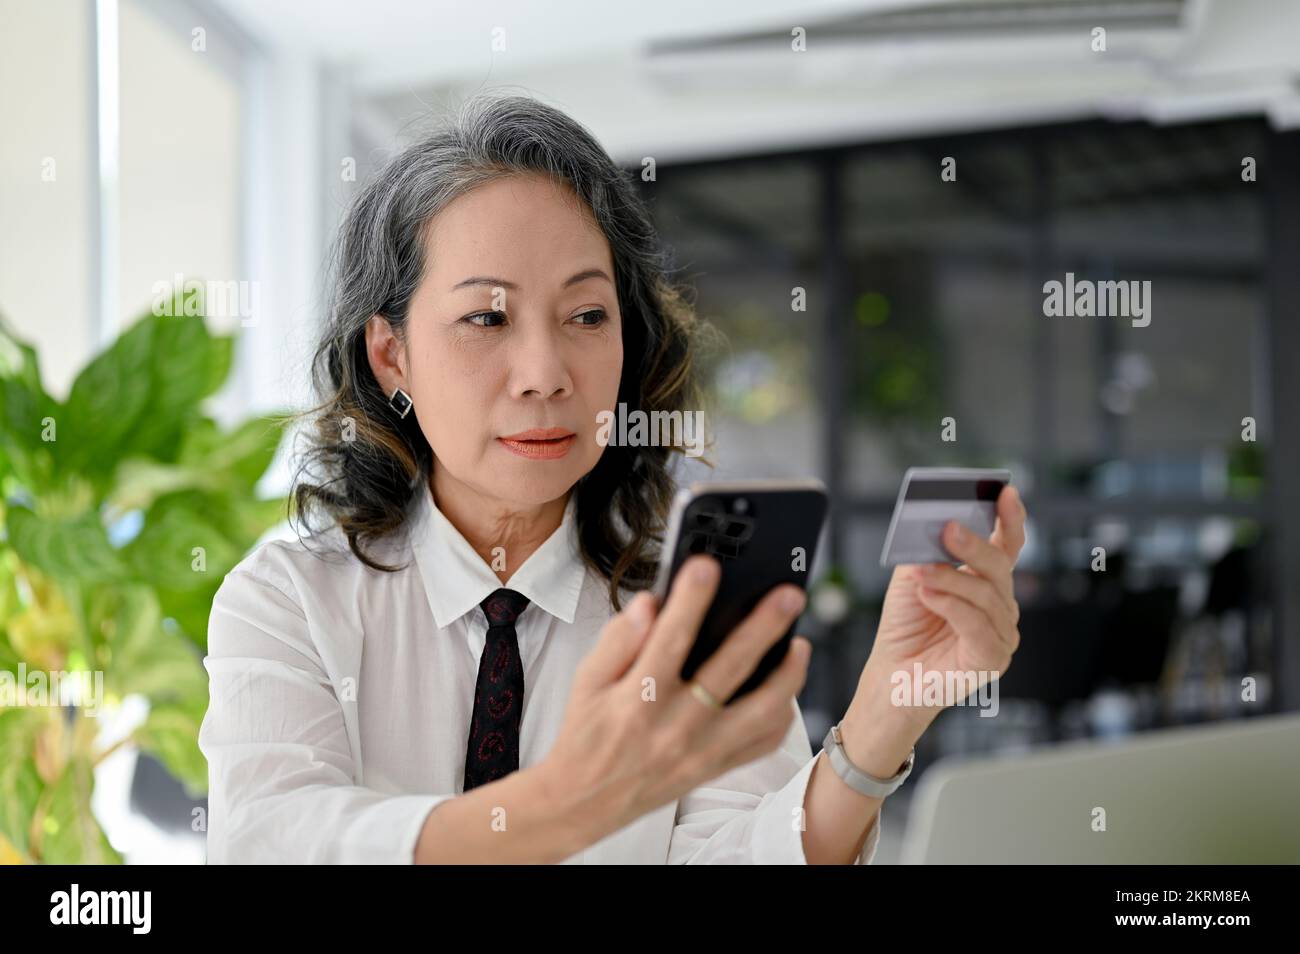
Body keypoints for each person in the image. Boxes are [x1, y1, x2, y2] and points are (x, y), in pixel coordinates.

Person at [198, 93, 1027, 864]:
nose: (545, 372)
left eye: (587, 315)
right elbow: (275, 839)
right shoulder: (290, 603)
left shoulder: (682, 605)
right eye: (486, 317)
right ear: (392, 355)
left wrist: (889, 710)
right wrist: (565, 805)